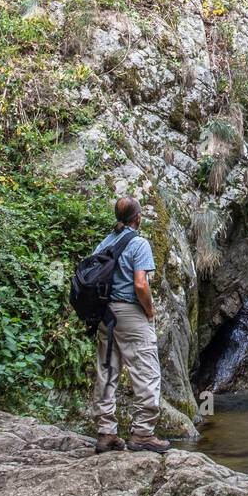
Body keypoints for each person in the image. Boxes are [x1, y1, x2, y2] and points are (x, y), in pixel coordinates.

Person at [92, 195, 170, 455]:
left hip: (105, 314)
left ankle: (106, 434)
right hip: (131, 314)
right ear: (138, 218)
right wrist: (149, 311)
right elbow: (140, 284)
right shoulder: (139, 244)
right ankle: (142, 434)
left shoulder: (106, 242)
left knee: (108, 370)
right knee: (146, 371)